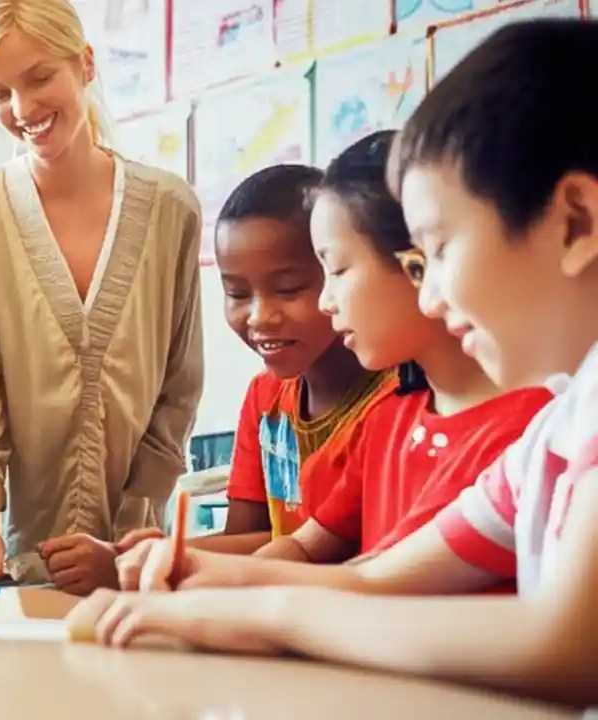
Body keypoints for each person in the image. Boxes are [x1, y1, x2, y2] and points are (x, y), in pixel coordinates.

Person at [67, 20, 598, 707]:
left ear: (577, 223)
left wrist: (259, 616)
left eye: (436, 251)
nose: (429, 294)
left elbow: (562, 646)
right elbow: (375, 579)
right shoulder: (561, 429)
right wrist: (195, 579)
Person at [0, 0, 203, 595]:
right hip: (19, 570)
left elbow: (176, 396)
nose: (23, 109)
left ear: (85, 64)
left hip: (139, 563)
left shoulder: (170, 210)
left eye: (39, 77)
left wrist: (130, 533)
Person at [119, 165, 394, 560]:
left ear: (336, 277)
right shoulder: (266, 397)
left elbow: (343, 554)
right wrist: (143, 556)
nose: (259, 316)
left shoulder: (395, 401)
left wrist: (176, 559)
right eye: (237, 293)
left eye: (287, 289)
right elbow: (253, 538)